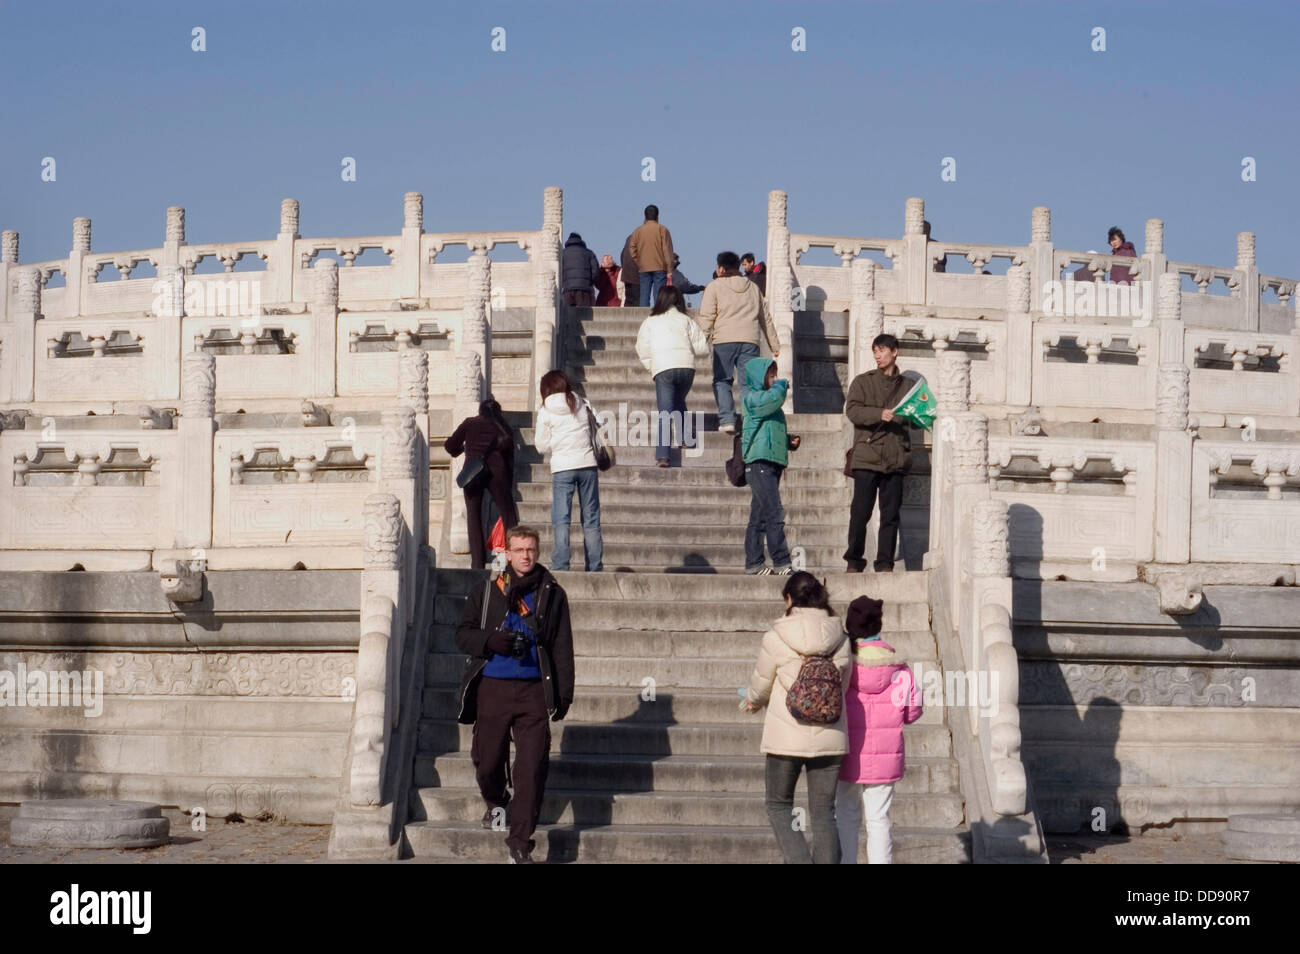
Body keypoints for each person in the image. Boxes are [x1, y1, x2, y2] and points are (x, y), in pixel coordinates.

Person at [455, 524, 575, 864]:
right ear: (507, 554)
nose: (525, 556)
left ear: (537, 552)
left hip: (535, 690)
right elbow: (462, 634)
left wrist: (563, 694)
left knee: (531, 767)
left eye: (531, 550)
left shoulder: (553, 593)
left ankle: (520, 842)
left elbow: (562, 646)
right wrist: (490, 641)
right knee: (488, 760)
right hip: (493, 686)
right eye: (519, 550)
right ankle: (496, 801)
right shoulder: (488, 591)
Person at [741, 572, 851, 864]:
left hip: (786, 735)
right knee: (824, 811)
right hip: (831, 734)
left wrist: (752, 702)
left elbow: (762, 683)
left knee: (778, 805)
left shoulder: (776, 636)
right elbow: (844, 686)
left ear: (789, 599)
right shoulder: (841, 638)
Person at [836, 595, 922, 865]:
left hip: (846, 750)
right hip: (885, 756)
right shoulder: (899, 667)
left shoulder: (842, 665)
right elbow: (913, 712)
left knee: (846, 815)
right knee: (879, 819)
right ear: (878, 625)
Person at [843, 333, 911, 573]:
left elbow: (919, 417)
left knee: (890, 515)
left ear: (894, 352)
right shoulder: (863, 382)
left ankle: (885, 563)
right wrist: (878, 414)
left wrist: (901, 416)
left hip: (895, 457)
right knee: (860, 513)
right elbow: (852, 411)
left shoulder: (908, 386)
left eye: (882, 350)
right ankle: (854, 560)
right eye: (875, 351)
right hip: (867, 456)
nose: (877, 356)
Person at [699, 251, 780, 435]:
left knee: (722, 381)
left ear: (720, 268)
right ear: (737, 267)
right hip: (750, 340)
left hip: (724, 341)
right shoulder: (752, 288)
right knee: (749, 384)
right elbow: (765, 318)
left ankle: (727, 420)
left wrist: (701, 340)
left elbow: (707, 317)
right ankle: (750, 419)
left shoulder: (714, 287)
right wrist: (774, 344)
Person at [534, 370, 603, 572]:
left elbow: (541, 445)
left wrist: (557, 443)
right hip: (588, 465)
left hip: (563, 467)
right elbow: (600, 425)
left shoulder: (546, 409)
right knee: (591, 519)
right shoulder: (582, 402)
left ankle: (561, 565)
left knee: (561, 519)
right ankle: (595, 566)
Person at [635, 285, 708, 467]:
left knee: (665, 412)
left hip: (663, 368)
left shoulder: (650, 321)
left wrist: (651, 367)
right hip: (686, 368)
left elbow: (642, 348)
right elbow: (702, 349)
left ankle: (663, 455)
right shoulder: (686, 320)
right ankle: (685, 439)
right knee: (678, 401)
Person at [445, 397, 519, 570]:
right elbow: (510, 456)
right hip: (498, 472)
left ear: (480, 411)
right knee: (509, 516)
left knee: (473, 518)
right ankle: (513, 558)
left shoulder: (470, 423)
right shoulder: (502, 426)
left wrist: (463, 449)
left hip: (473, 472)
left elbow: (449, 446)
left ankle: (477, 564)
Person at [740, 356, 797, 575]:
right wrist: (782, 384)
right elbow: (775, 398)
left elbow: (768, 431)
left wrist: (788, 440)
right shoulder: (753, 399)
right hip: (759, 463)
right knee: (774, 513)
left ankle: (754, 563)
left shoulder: (767, 403)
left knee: (760, 515)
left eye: (775, 376)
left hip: (771, 462)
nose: (775, 380)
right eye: (771, 376)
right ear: (759, 377)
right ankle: (782, 561)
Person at [628, 204, 674, 307]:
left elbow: (632, 249)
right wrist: (670, 269)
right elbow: (667, 250)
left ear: (645, 216)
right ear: (657, 216)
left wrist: (638, 261)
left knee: (644, 296)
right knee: (658, 296)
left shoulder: (637, 231)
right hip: (660, 266)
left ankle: (644, 318)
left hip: (643, 267)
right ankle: (658, 317)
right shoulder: (662, 229)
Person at [560, 232, 601, 307]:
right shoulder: (589, 253)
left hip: (567, 289)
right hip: (584, 289)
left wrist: (563, 283)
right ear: (581, 241)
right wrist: (589, 283)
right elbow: (595, 271)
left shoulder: (562, 253)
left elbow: (557, 270)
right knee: (583, 315)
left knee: (567, 315)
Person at [619, 235, 640, 307]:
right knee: (637, 300)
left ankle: (626, 317)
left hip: (626, 275)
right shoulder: (641, 239)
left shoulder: (629, 239)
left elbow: (622, 256)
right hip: (636, 276)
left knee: (628, 299)